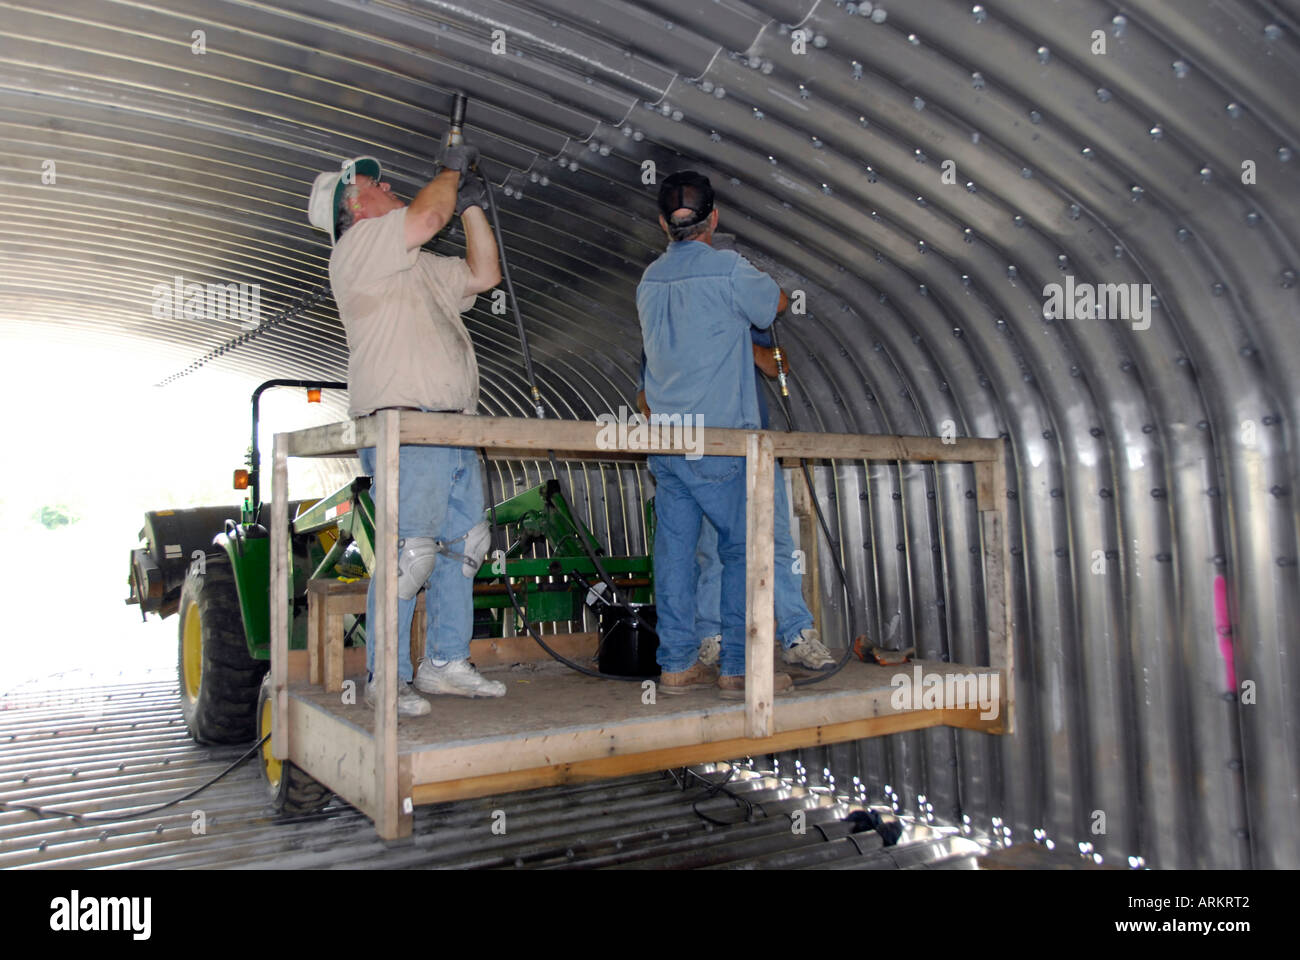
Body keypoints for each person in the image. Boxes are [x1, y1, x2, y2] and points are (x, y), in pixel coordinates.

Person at [307, 146, 503, 716]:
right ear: (352, 205)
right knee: (409, 554)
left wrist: (468, 206)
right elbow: (424, 217)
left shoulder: (413, 263)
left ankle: (444, 664)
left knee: (463, 548)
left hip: (452, 425)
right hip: (406, 424)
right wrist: (449, 173)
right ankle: (386, 680)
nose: (386, 183)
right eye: (371, 182)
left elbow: (484, 274)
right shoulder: (360, 246)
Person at [638, 170, 797, 699]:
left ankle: (677, 664)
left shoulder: (648, 281)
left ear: (664, 223)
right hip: (721, 442)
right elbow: (771, 304)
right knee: (741, 551)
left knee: (675, 554)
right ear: (715, 218)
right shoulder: (728, 270)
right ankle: (737, 666)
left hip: (665, 443)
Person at [637, 337, 834, 672]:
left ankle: (796, 634)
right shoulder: (662, 333)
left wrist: (740, 346)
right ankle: (715, 637)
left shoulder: (738, 322)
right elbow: (644, 400)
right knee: (714, 551)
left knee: (776, 543)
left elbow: (778, 364)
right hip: (706, 454)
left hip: (755, 447)